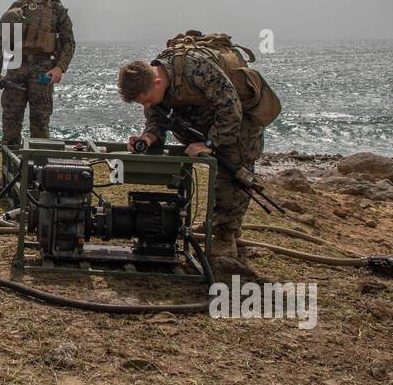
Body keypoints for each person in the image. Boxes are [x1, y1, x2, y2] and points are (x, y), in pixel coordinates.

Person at [118, 34, 277, 280]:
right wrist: (147, 139)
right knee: (223, 177)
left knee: (229, 174)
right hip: (205, 123)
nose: (147, 105)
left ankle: (225, 237)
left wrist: (210, 143)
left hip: (237, 124)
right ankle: (226, 227)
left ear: (158, 82)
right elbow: (156, 121)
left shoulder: (196, 68)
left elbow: (230, 108)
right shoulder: (155, 85)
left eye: (147, 99)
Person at [0, 0, 75, 145]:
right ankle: (9, 172)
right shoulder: (18, 7)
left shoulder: (58, 10)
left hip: (43, 71)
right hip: (16, 66)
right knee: (10, 123)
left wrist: (59, 69)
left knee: (40, 125)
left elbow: (68, 43)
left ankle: (38, 173)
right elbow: (2, 38)